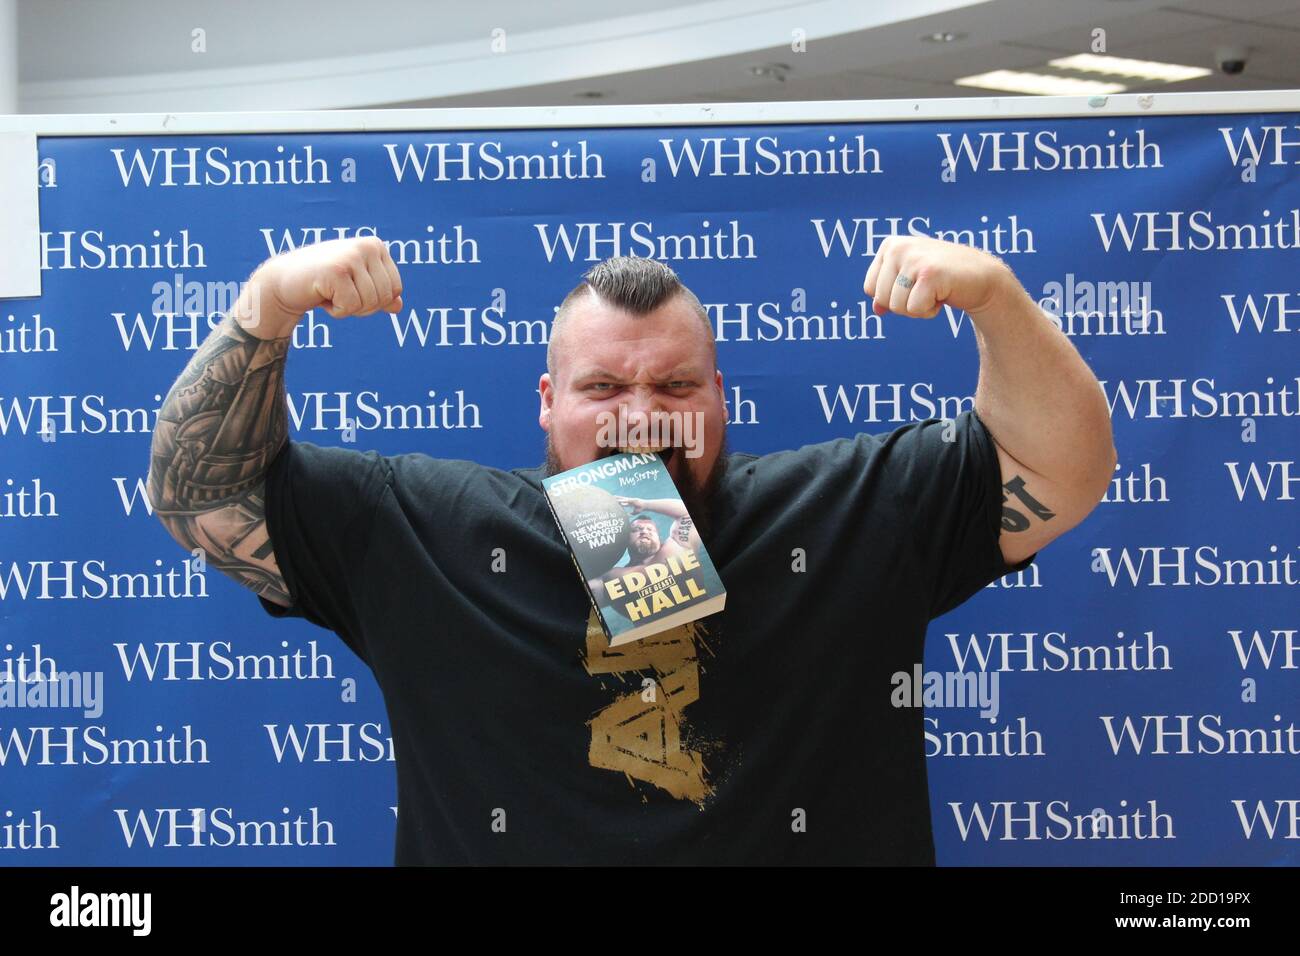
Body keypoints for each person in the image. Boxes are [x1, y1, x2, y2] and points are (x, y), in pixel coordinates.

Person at [147, 235, 1116, 865]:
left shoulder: (845, 508)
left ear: (721, 394)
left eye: (676, 386)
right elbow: (202, 494)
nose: (641, 419)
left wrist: (995, 297)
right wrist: (265, 305)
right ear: (546, 401)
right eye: (604, 387)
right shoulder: (425, 527)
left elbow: (1060, 467)